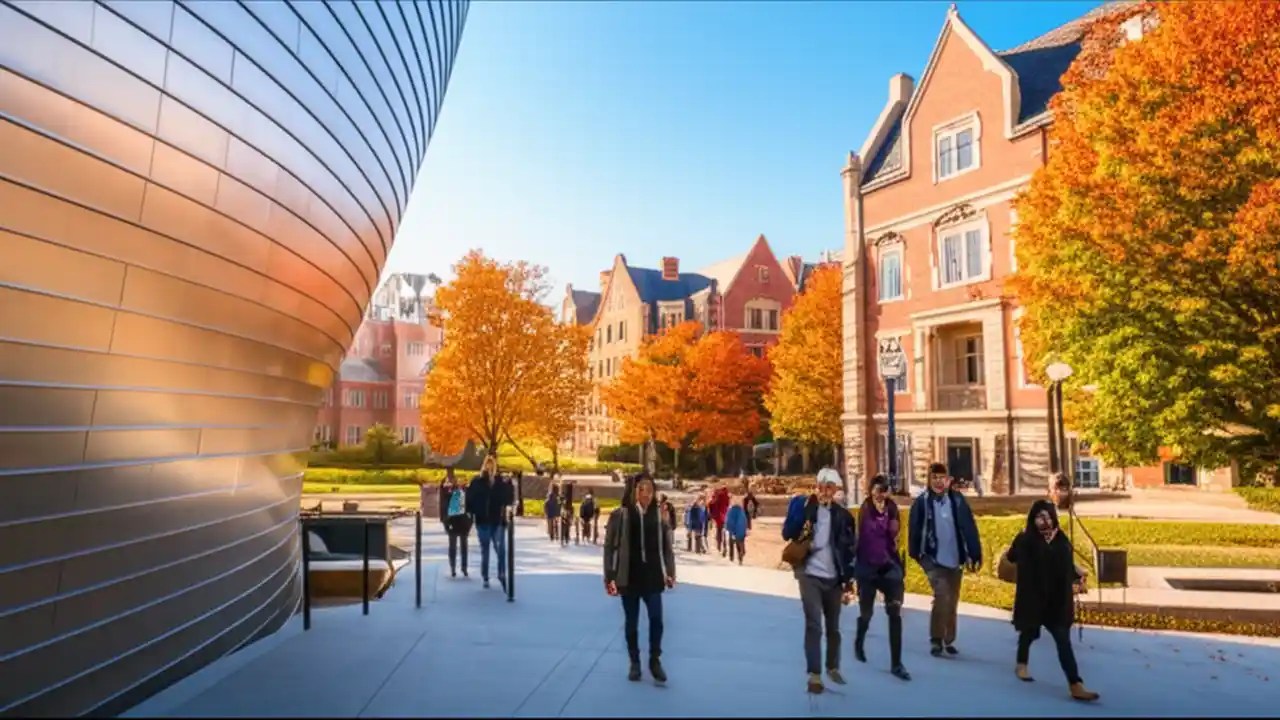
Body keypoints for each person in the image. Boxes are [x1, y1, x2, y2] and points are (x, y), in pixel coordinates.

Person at [1007, 500, 1099, 702]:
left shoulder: (1061, 539)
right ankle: (1021, 664)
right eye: (1039, 516)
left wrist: (1078, 576)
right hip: (1034, 598)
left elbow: (1066, 565)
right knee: (1029, 633)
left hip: (1057, 601)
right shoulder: (1026, 539)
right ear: (1033, 519)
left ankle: (1075, 684)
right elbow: (1011, 557)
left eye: (1047, 516)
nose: (1044, 521)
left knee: (1063, 642)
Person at [781, 468, 858, 694]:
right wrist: (803, 512)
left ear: (836, 490)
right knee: (814, 624)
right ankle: (814, 675)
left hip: (833, 578)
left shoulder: (844, 517)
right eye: (821, 486)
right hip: (809, 575)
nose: (824, 491)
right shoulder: (804, 506)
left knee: (833, 627)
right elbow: (788, 533)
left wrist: (849, 582)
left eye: (829, 487)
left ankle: (832, 666)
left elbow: (849, 551)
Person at [604, 474, 676, 684]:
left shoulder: (658, 514)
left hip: (653, 575)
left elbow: (667, 547)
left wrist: (670, 572)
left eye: (650, 489)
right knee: (631, 622)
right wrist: (609, 576)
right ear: (634, 490)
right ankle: (634, 662)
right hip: (629, 576)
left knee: (657, 620)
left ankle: (655, 659)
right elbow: (609, 547)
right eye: (641, 489)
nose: (646, 493)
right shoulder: (621, 514)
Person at [908, 462, 983, 658]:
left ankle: (949, 639)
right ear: (929, 480)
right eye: (935, 478)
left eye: (942, 478)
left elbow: (969, 527)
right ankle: (935, 639)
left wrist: (975, 553)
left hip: (954, 558)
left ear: (948, 480)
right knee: (942, 595)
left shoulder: (957, 501)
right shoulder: (922, 502)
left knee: (952, 599)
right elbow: (914, 529)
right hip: (932, 558)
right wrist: (917, 554)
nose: (939, 482)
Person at [853, 475, 910, 680]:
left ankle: (897, 663)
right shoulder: (865, 510)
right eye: (877, 490)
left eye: (884, 490)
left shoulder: (892, 509)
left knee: (895, 613)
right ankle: (859, 640)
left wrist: (893, 524)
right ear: (870, 491)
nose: (881, 495)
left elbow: (895, 535)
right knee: (866, 614)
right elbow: (869, 534)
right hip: (868, 567)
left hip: (889, 567)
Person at [466, 456, 512, 590]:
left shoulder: (500, 483)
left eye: (492, 465)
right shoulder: (477, 482)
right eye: (487, 465)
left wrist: (508, 486)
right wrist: (472, 513)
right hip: (482, 521)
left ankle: (501, 573)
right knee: (485, 550)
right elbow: (469, 499)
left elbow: (507, 499)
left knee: (501, 550)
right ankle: (485, 576)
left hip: (497, 521)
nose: (490, 468)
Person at [438, 469, 471, 578]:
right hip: (458, 522)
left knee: (457, 546)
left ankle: (459, 567)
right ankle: (460, 567)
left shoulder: (452, 494)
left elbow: (443, 506)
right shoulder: (459, 493)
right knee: (460, 546)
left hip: (456, 522)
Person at [724, 497, 748, 565]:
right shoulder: (742, 511)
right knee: (739, 545)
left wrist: (729, 529)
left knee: (732, 544)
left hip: (733, 531)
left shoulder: (731, 511)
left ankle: (732, 557)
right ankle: (740, 557)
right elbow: (744, 522)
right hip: (741, 532)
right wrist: (745, 530)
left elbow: (729, 522)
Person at [709, 483, 731, 556]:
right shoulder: (726, 496)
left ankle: (719, 546)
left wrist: (712, 515)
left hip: (718, 516)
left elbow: (711, 504)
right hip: (725, 515)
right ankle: (724, 546)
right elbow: (727, 505)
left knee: (719, 531)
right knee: (724, 531)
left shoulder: (717, 495)